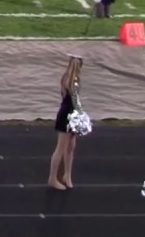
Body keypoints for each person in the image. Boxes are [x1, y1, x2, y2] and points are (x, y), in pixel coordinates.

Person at [49, 55, 89, 190]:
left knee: (71, 147)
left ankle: (67, 175)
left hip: (71, 115)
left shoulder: (67, 78)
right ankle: (52, 179)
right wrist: (83, 117)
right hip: (67, 116)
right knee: (60, 149)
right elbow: (76, 102)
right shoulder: (72, 81)